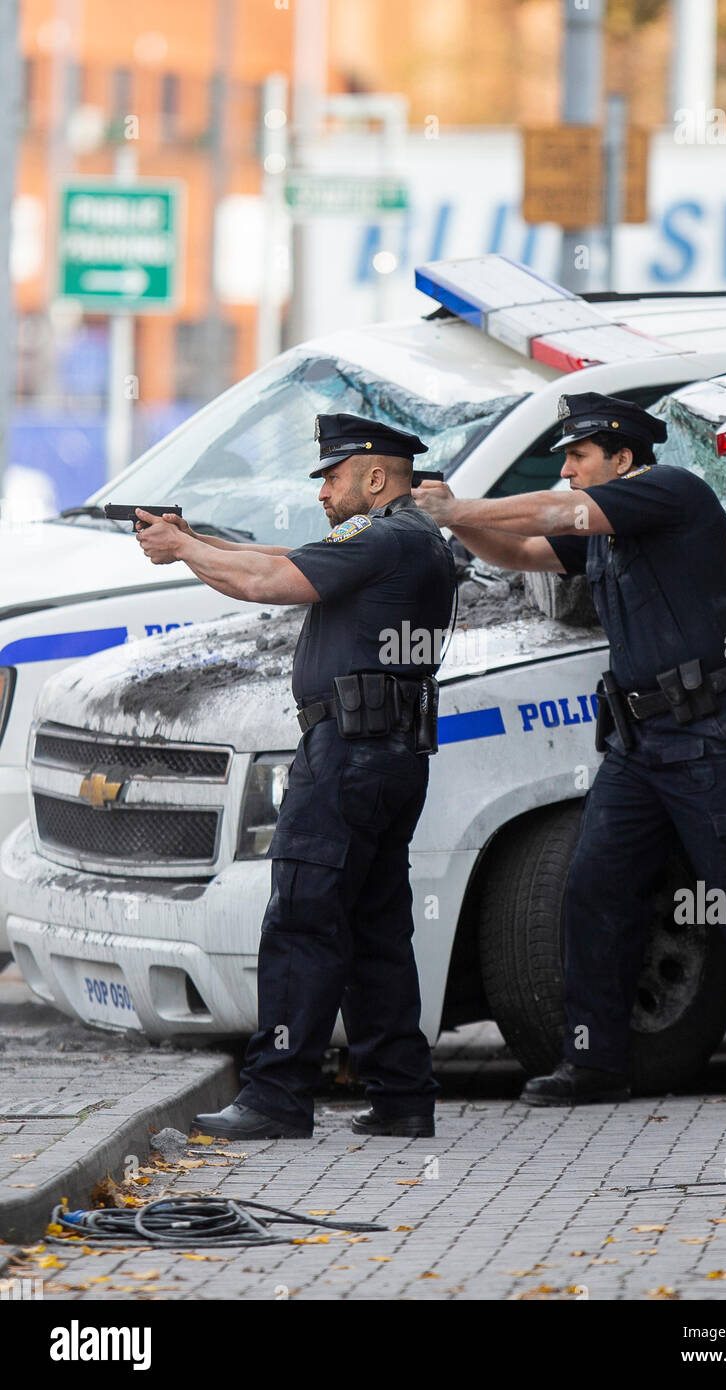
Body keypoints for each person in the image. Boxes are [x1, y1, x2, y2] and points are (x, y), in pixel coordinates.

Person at [413, 391, 726, 1104]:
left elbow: (563, 513)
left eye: (578, 457)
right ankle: (596, 1060)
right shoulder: (606, 526)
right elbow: (525, 550)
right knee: (594, 889)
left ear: (622, 458)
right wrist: (463, 527)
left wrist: (459, 507)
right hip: (640, 741)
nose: (568, 471)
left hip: (711, 733)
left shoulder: (670, 491)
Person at [135, 412, 456, 1139]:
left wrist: (184, 547)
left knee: (303, 917)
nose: (323, 492)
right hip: (389, 753)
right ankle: (403, 1098)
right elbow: (283, 555)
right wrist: (197, 541)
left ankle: (277, 1095)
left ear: (375, 477)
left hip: (349, 753)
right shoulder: (404, 540)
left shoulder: (385, 538)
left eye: (334, 478)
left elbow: (270, 581)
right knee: (374, 927)